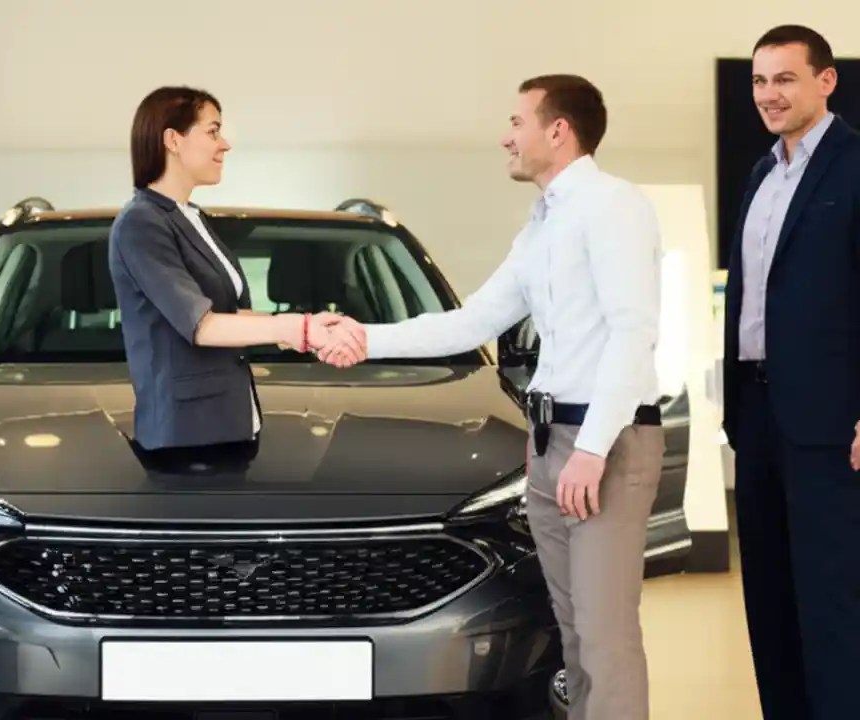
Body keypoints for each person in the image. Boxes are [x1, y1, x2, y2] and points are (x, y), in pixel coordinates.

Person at [319, 75, 664, 720]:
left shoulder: (613, 207)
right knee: (574, 635)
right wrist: (365, 339)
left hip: (604, 442)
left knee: (606, 637)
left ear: (557, 130)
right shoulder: (543, 224)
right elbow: (472, 322)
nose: (506, 136)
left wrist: (590, 450)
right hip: (549, 442)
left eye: (517, 121)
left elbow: (633, 332)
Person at [721, 25, 860, 720]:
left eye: (784, 78)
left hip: (833, 424)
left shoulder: (856, 165)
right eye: (758, 81)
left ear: (825, 80)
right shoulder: (760, 174)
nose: (768, 95)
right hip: (756, 412)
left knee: (833, 601)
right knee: (769, 597)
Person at [108, 85, 364, 452]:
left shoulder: (190, 216)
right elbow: (201, 324)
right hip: (187, 435)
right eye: (213, 131)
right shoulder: (142, 223)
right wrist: (299, 329)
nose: (224, 144)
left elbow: (228, 314)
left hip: (229, 422)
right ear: (173, 140)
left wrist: (307, 327)